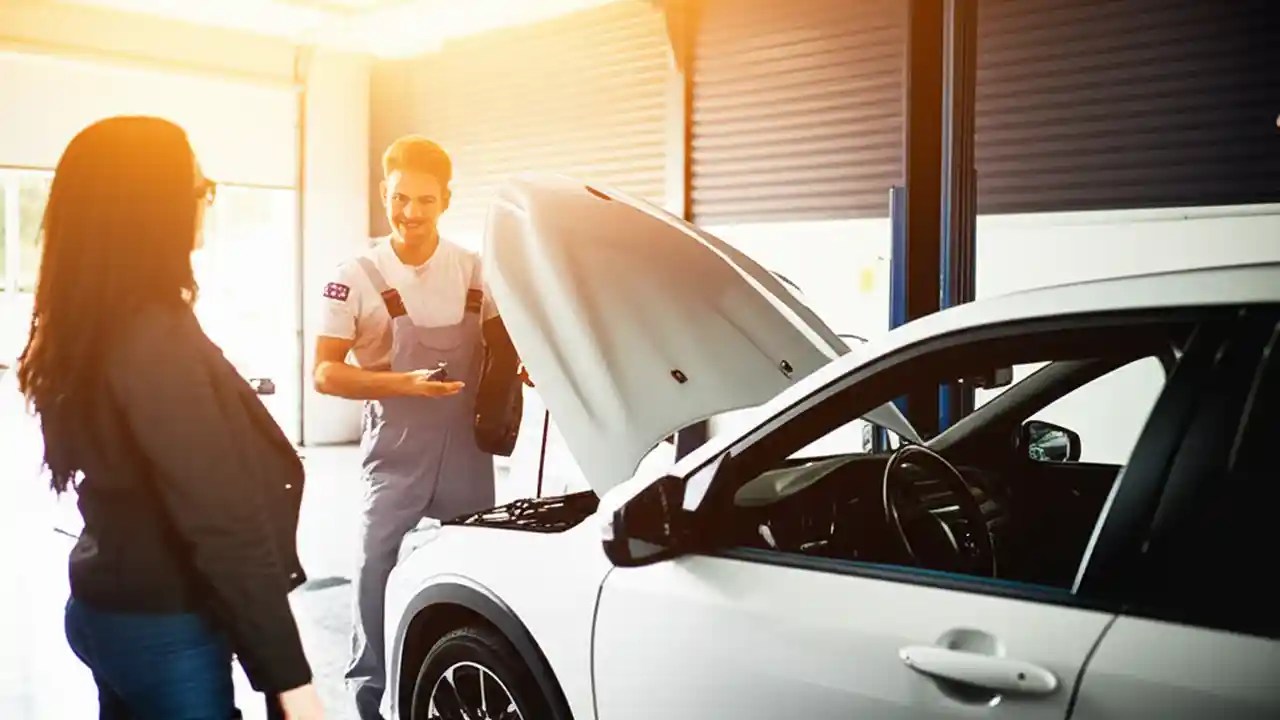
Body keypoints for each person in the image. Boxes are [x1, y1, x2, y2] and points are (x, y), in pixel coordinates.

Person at [16, 116, 324, 720]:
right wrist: (290, 682)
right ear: (153, 205)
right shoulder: (152, 336)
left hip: (106, 608)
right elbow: (221, 519)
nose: (204, 201)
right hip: (165, 630)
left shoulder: (94, 321)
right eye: (198, 187)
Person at [314, 135, 500, 719]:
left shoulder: (476, 271)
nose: (411, 213)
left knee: (474, 577)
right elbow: (324, 372)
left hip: (468, 455)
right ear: (383, 194)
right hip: (393, 456)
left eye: (425, 200)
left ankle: (465, 693)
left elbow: (508, 348)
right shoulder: (354, 276)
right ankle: (368, 703)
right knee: (374, 577)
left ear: (446, 200)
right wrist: (404, 384)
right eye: (400, 198)